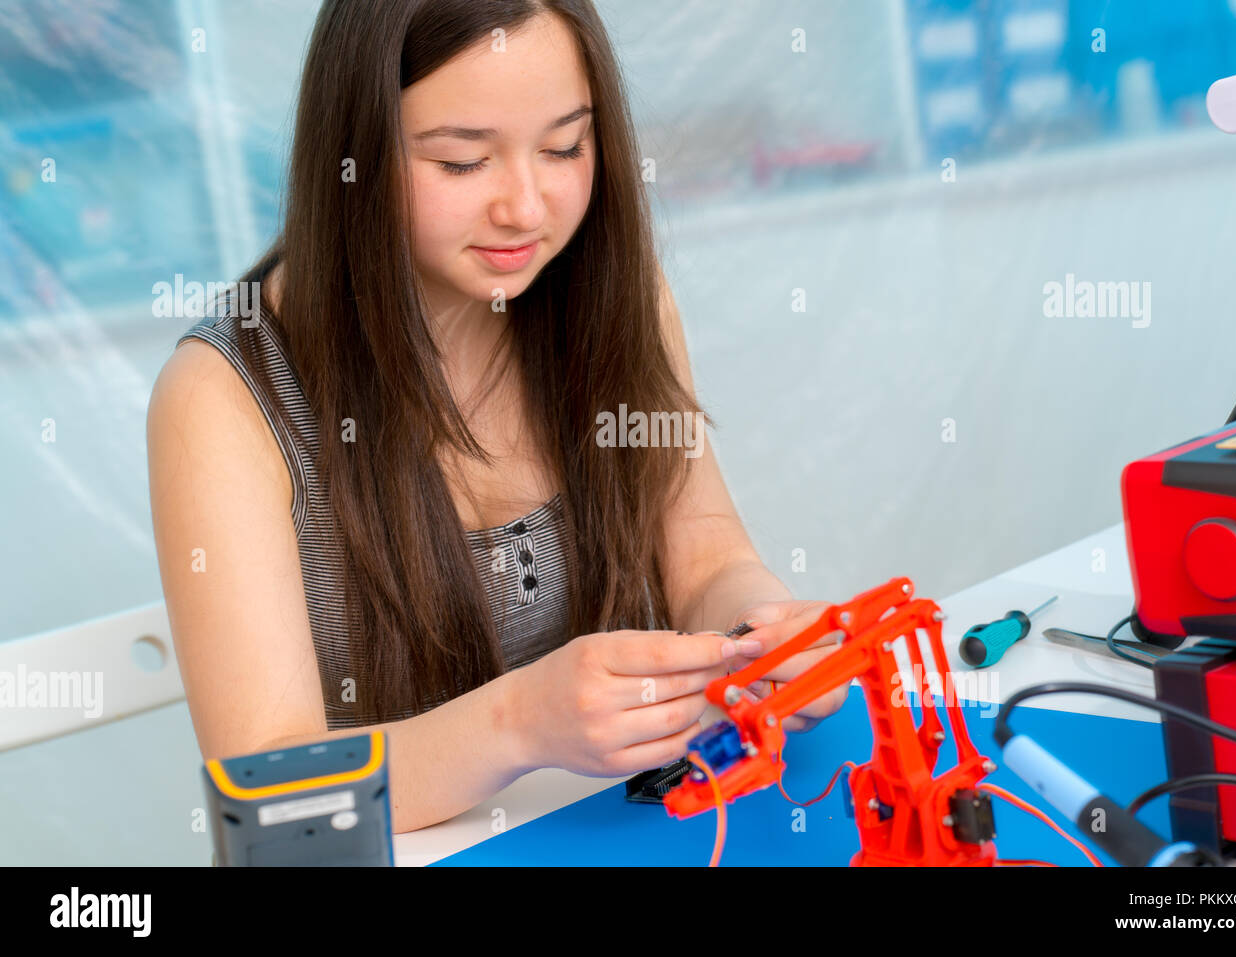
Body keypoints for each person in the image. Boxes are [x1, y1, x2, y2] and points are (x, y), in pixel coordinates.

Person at [146, 0, 848, 833]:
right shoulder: (221, 395)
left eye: (564, 147)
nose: (526, 206)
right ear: (353, 157)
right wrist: (521, 722)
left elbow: (706, 561)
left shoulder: (615, 298)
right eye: (461, 162)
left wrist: (757, 635)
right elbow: (270, 786)